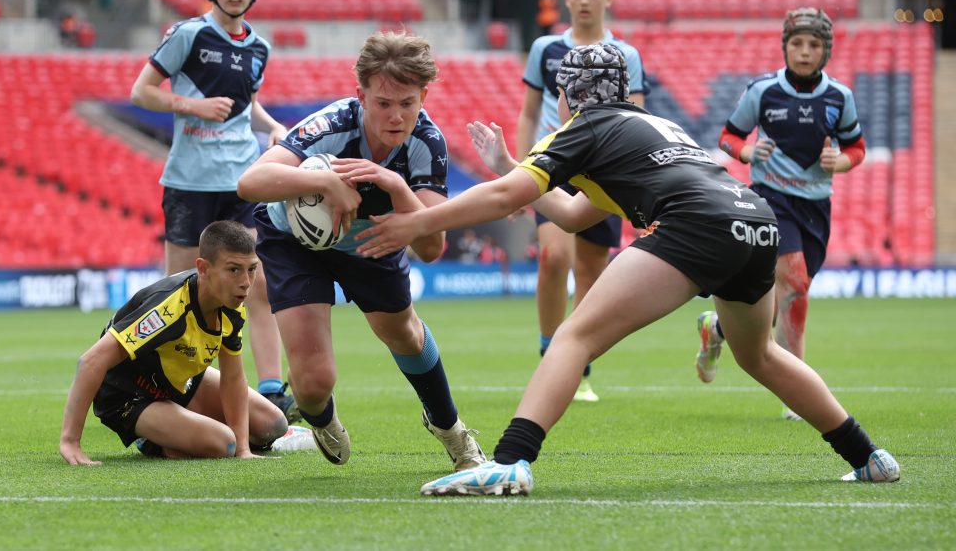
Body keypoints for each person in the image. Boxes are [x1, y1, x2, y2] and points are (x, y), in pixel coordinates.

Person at [357, 43, 899, 495]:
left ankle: (511, 460)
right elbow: (572, 214)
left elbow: (504, 200)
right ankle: (867, 455)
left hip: (697, 224)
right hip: (756, 220)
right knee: (759, 355)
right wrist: (507, 163)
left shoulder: (581, 129)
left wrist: (412, 224)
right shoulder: (655, 126)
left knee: (574, 337)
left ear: (564, 96)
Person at [236, 31, 486, 471]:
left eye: (408, 103)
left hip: (373, 241)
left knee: (405, 334)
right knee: (313, 385)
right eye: (383, 103)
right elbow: (250, 183)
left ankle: (449, 427)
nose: (396, 115)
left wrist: (394, 184)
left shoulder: (427, 144)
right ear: (361, 96)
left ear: (424, 96)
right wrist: (326, 181)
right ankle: (322, 418)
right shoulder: (330, 126)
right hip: (296, 244)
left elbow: (431, 247)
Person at [129, 0, 297, 420]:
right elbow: (140, 92)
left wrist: (271, 128)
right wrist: (193, 106)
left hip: (242, 181)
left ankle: (270, 390)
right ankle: (158, 385)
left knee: (256, 282)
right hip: (189, 181)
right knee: (177, 288)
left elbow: (247, 107)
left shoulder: (259, 47)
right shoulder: (187, 35)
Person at [697, 8, 866, 422]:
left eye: (813, 45)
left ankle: (715, 329)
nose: (804, 52)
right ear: (785, 46)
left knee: (779, 299)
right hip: (770, 199)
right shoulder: (763, 91)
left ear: (825, 51)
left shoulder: (839, 97)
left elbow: (857, 148)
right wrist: (749, 152)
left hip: (815, 206)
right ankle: (796, 389)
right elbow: (728, 136)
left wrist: (838, 162)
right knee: (794, 284)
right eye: (797, 44)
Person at [517, 0, 648, 402]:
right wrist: (521, 170)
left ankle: (579, 369)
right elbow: (531, 112)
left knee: (591, 270)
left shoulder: (626, 54)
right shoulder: (545, 48)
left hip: (603, 169)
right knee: (554, 258)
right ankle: (549, 354)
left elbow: (637, 116)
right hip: (554, 164)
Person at [58, 220, 292, 465]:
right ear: (203, 268)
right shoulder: (169, 308)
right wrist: (70, 441)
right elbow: (91, 361)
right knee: (224, 443)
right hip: (129, 395)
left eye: (252, 269)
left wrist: (244, 449)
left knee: (273, 424)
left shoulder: (232, 306)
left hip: (179, 382)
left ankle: (182, 426)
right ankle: (150, 439)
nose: (246, 281)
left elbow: (233, 379)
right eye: (234, 270)